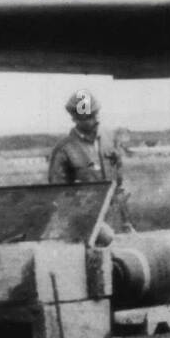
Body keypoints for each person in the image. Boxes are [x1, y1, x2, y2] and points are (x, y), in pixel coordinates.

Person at [48, 89, 130, 236]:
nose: (95, 119)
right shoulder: (64, 149)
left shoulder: (109, 140)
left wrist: (125, 220)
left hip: (114, 219)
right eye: (88, 116)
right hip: (85, 224)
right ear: (74, 118)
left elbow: (119, 182)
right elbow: (58, 195)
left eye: (95, 114)